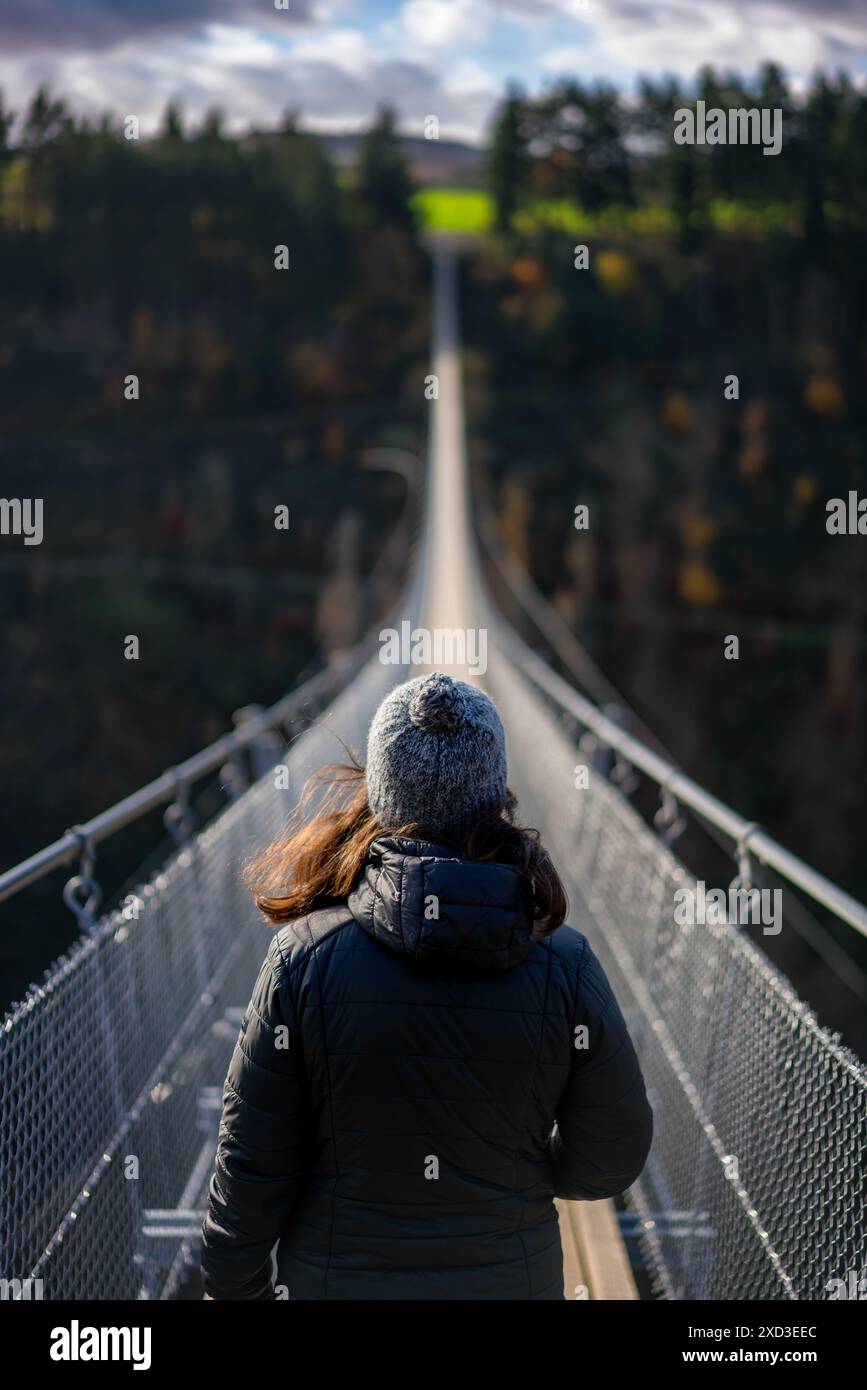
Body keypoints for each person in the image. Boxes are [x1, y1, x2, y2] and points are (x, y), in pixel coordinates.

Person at [200, 671, 652, 1300]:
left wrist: (237, 1290)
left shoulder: (304, 958)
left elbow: (251, 1161)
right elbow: (614, 1153)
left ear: (381, 797)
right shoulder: (565, 964)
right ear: (496, 796)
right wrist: (526, 1170)